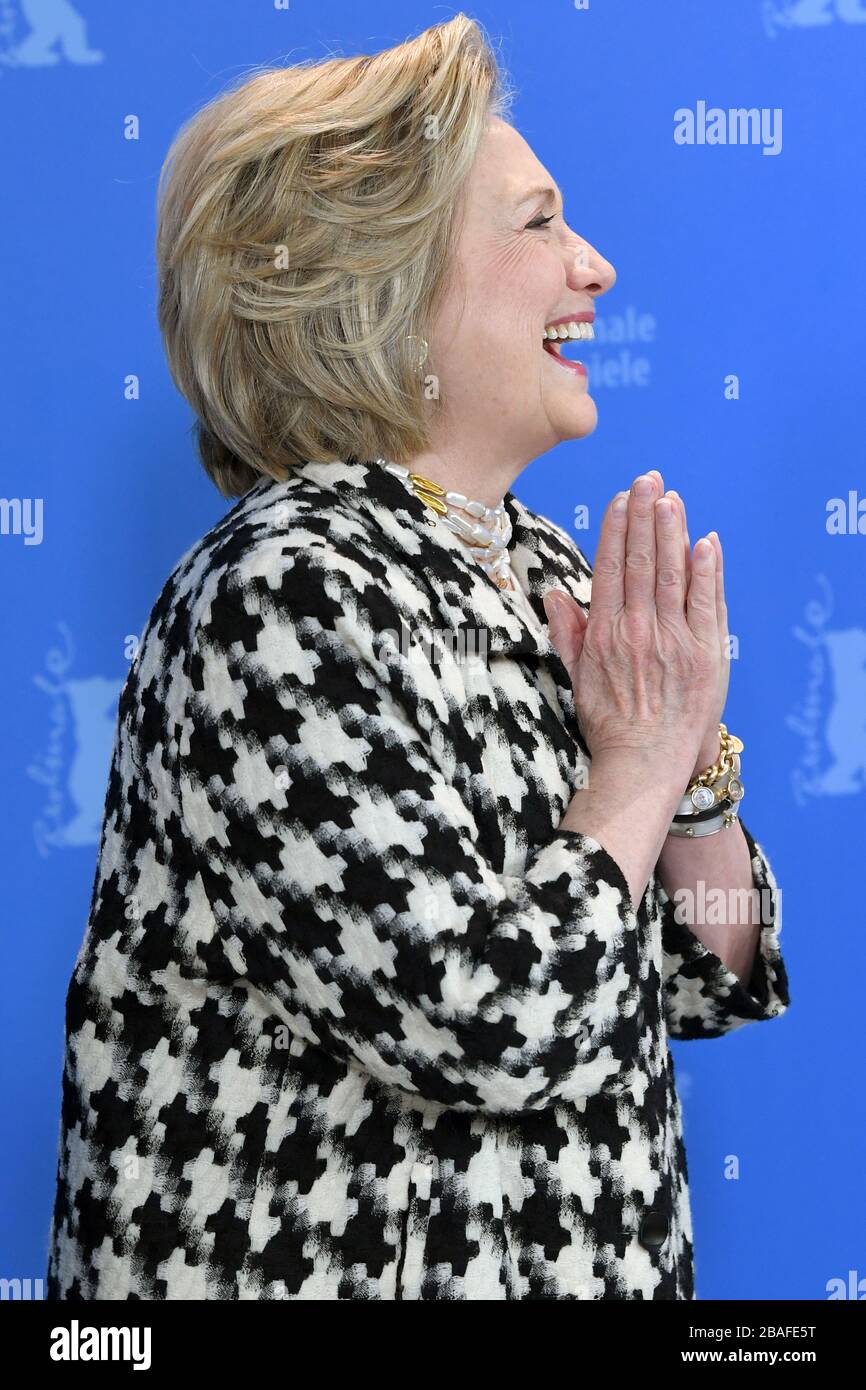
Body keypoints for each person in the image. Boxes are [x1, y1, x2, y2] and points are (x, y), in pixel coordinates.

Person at [45, 13, 789, 1300]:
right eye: (538, 224)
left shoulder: (546, 571)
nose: (595, 267)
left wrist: (692, 772)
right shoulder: (281, 590)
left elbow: (698, 981)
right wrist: (643, 758)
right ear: (379, 279)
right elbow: (483, 1022)